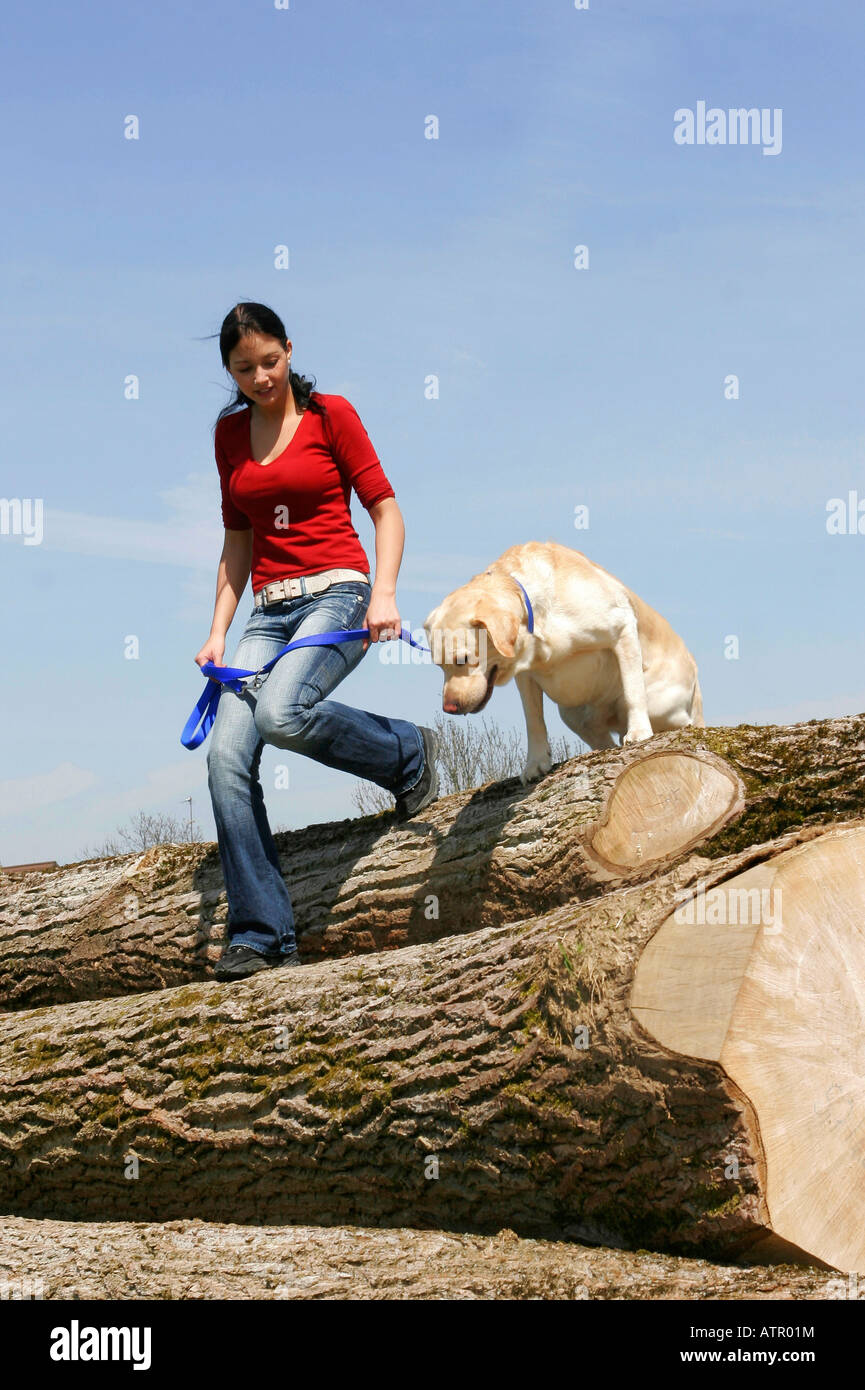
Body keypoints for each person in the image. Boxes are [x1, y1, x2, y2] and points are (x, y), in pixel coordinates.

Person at [196, 302, 439, 982]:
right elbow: (237, 540)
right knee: (224, 759)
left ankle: (406, 751)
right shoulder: (229, 438)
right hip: (267, 615)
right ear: (230, 372)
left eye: (269, 361)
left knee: (280, 713)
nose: (260, 377)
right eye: (244, 369)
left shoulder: (331, 414)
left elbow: (384, 507)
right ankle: (261, 932)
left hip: (340, 592)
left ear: (288, 350)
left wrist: (384, 592)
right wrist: (217, 632)